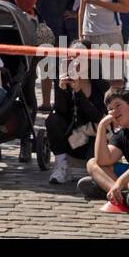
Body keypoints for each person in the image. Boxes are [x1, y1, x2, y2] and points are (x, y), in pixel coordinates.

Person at [45, 41, 108, 184]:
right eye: (72, 58)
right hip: (71, 137)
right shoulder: (64, 80)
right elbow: (60, 112)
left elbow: (97, 117)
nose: (76, 62)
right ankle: (62, 166)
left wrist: (79, 93)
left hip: (91, 137)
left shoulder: (99, 84)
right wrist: (62, 90)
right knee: (52, 119)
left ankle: (95, 172)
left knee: (97, 132)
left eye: (81, 57)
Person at [33, 0, 78, 111]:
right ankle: (45, 102)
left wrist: (76, 13)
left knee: (64, 67)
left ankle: (66, 102)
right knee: (45, 67)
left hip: (63, 28)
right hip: (44, 29)